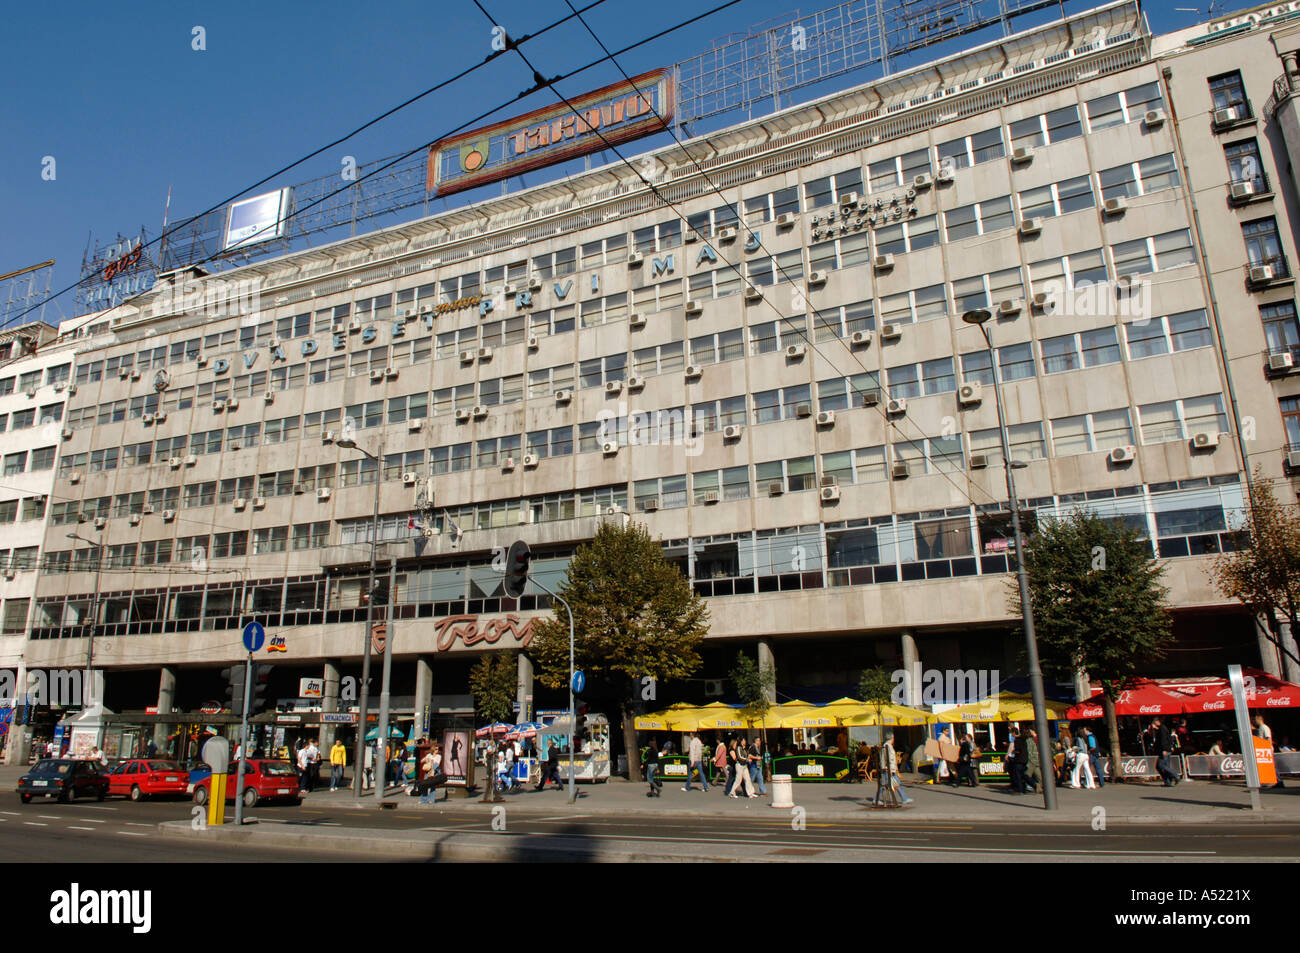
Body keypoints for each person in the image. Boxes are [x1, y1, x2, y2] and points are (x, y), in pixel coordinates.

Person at [1154, 717, 1179, 786]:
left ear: (1158, 721)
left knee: (1160, 765)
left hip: (1164, 750)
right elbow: (1169, 739)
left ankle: (1175, 775)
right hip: (1167, 749)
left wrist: (1164, 749)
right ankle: (1168, 781)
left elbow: (1163, 740)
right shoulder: (1164, 728)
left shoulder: (1162, 729)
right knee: (1166, 765)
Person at [1023, 728, 1041, 793]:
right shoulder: (1034, 739)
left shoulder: (1029, 741)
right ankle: (1039, 787)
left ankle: (1032, 787)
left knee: (1027, 775)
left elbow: (1030, 751)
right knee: (1038, 775)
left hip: (1031, 761)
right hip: (1036, 760)